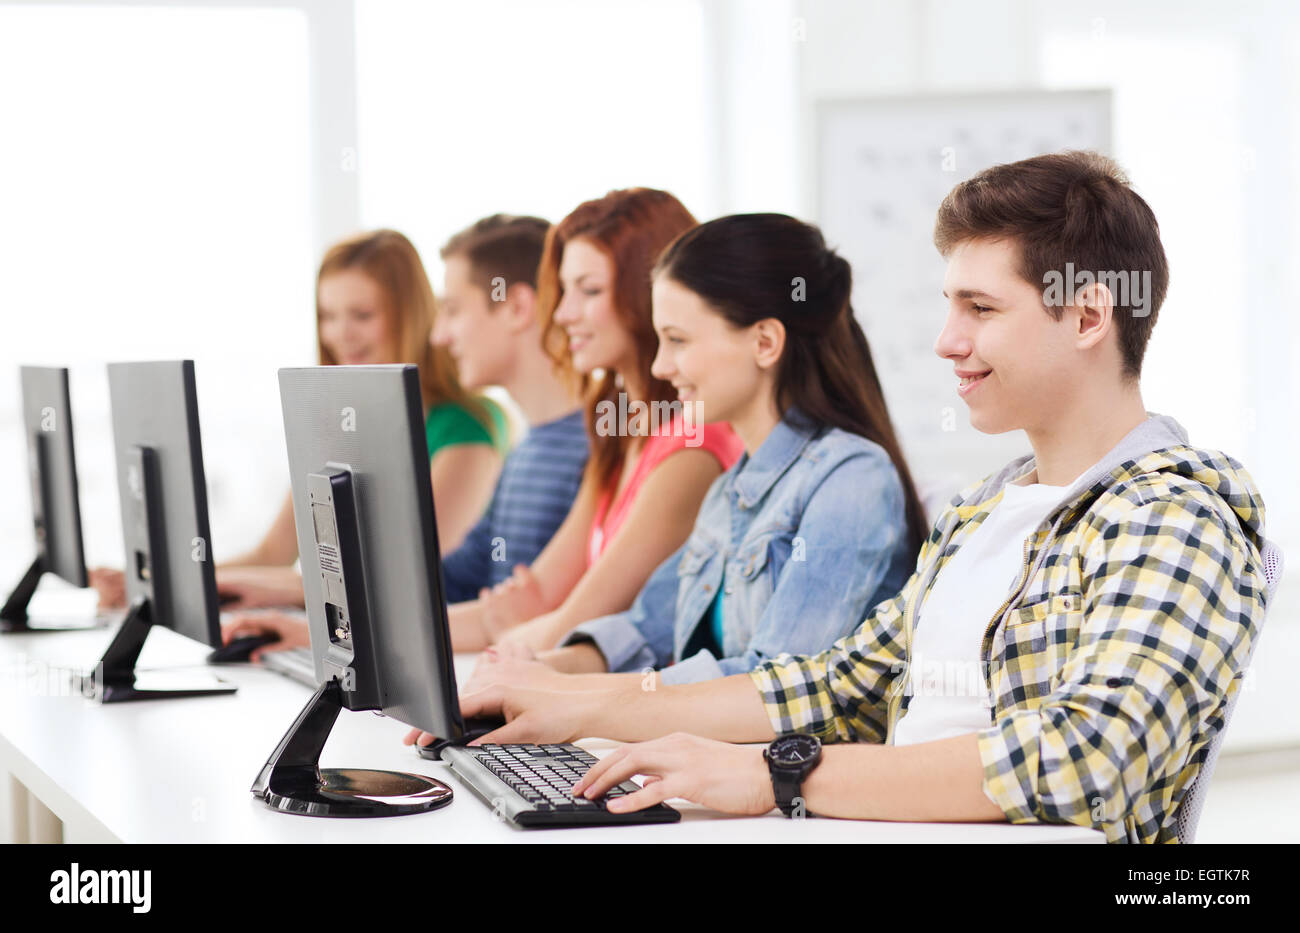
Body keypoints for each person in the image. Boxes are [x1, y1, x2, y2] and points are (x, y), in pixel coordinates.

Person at [445, 152, 1270, 845]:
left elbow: (1089, 753)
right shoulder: (984, 510)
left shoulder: (1173, 514)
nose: (946, 340)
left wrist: (775, 774)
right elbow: (834, 683)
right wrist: (573, 704)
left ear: (1090, 315)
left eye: (980, 308)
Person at [464, 213, 925, 696]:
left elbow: (774, 688)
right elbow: (642, 633)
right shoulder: (729, 491)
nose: (662, 366)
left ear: (765, 342)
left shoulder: (852, 480)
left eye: (678, 341)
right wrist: (533, 674)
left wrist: (566, 695)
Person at [223, 215, 590, 656]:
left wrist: (310, 614)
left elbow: (544, 619)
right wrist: (311, 625)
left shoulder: (595, 449)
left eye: (451, 310)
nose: (438, 335)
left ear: (516, 308)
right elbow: (447, 582)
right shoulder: (530, 449)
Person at [91, 229, 507, 611]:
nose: (340, 333)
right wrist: (157, 582)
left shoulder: (466, 427)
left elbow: (412, 575)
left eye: (362, 315)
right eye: (328, 316)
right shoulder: (340, 426)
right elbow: (274, 554)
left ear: (412, 316)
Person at [447, 188, 744, 653]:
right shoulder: (617, 435)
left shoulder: (693, 444)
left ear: (654, 294)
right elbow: (528, 607)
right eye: (564, 290)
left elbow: (571, 625)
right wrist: (357, 642)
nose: (563, 314)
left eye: (589, 291)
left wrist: (515, 632)